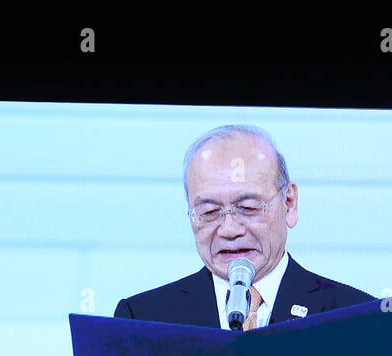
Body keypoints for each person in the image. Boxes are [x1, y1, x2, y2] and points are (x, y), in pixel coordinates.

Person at [114, 125, 373, 329]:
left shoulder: (359, 317)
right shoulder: (142, 319)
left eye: (248, 208)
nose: (229, 229)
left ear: (289, 204)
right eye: (209, 211)